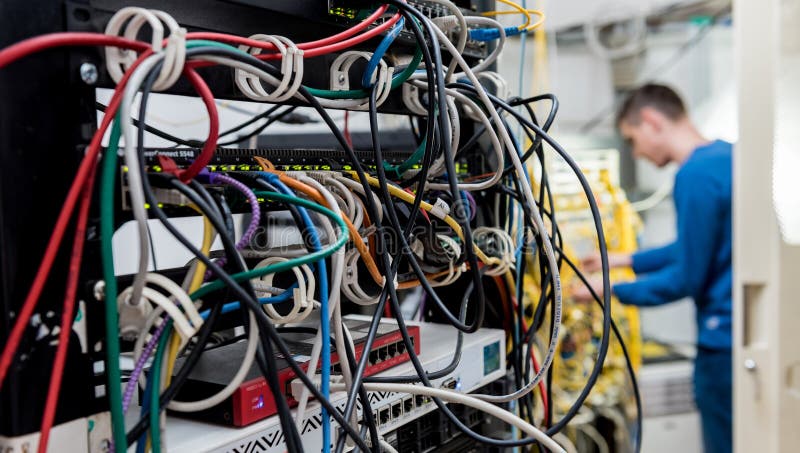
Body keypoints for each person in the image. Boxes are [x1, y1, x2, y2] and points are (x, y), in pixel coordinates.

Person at [573, 83, 733, 453]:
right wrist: (624, 259)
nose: (637, 152)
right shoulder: (727, 158)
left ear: (651, 121)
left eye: (632, 139)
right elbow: (696, 245)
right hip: (742, 339)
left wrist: (608, 290)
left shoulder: (694, 176)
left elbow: (684, 279)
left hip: (720, 349)